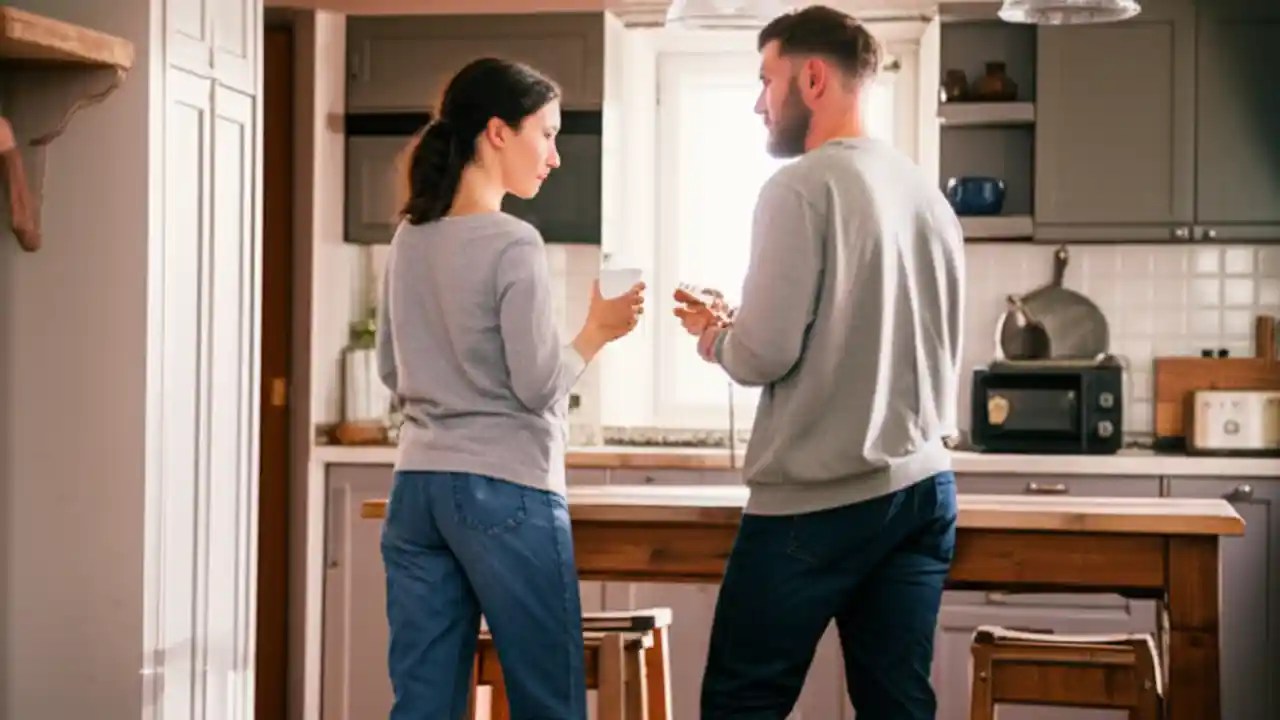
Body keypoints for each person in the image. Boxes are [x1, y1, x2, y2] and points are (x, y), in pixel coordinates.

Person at [673, 6, 965, 719]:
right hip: (922, 491)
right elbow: (874, 333)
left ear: (811, 77)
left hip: (817, 505)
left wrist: (715, 339)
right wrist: (741, 331)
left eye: (766, 79)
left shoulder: (800, 187)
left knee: (742, 700)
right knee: (896, 703)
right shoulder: (925, 192)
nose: (758, 101)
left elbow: (765, 353)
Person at [376, 57, 645, 720]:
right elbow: (537, 387)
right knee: (548, 701)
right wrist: (596, 333)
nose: (553, 156)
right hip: (506, 490)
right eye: (546, 134)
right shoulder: (513, 242)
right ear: (498, 132)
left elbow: (390, 368)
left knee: (423, 704)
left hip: (416, 492)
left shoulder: (409, 236)